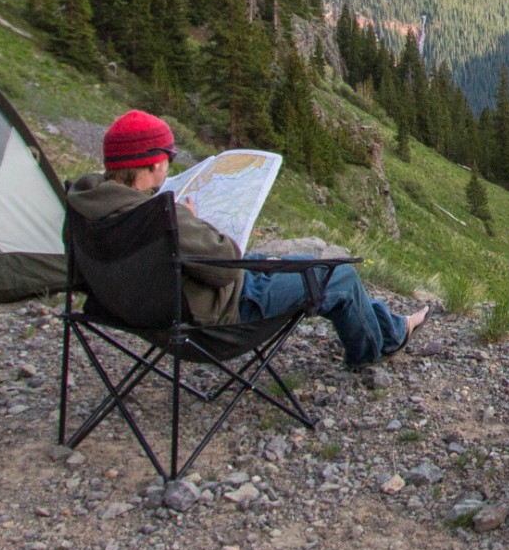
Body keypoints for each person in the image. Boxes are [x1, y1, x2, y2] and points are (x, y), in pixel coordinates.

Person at [65, 109, 424, 381]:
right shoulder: (159, 218)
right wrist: (193, 219)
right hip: (217, 321)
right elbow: (225, 264)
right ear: (155, 161)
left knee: (299, 264)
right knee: (339, 273)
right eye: (169, 157)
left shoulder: (88, 210)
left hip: (153, 320)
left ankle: (391, 326)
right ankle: (372, 351)